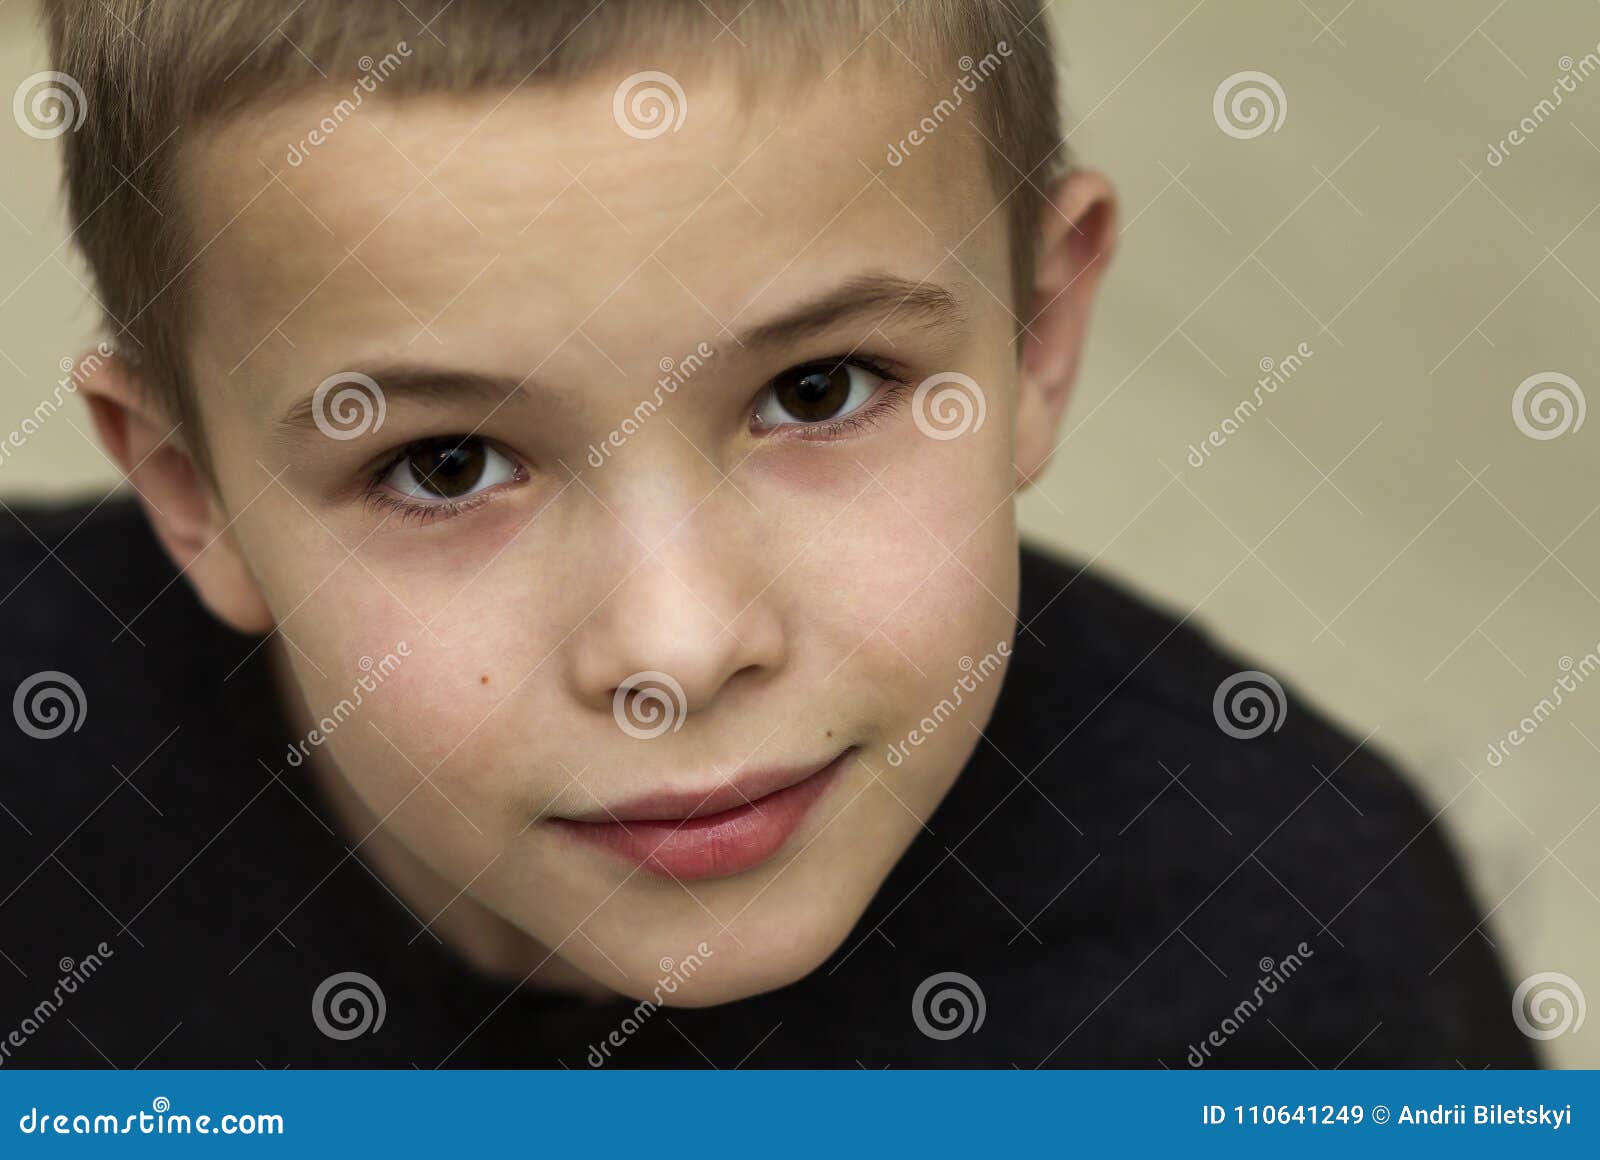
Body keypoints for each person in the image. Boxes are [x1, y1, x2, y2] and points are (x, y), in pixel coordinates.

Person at [0, 0, 1533, 1067]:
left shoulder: (1298, 977)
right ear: (188, 487)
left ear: (1041, 334)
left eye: (821, 388)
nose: (678, 646)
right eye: (448, 464)